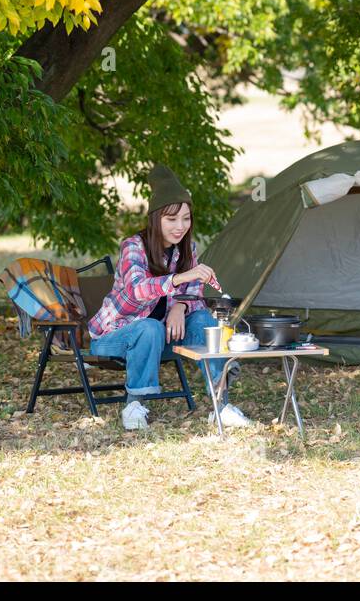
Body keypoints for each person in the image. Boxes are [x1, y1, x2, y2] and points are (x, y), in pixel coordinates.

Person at [87, 164, 250, 431]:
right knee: (149, 327)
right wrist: (179, 279)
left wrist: (179, 307)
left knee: (203, 320)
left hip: (158, 337)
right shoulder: (133, 247)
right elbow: (136, 291)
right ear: (155, 218)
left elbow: (194, 293)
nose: (180, 226)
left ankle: (221, 406)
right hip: (114, 337)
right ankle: (134, 405)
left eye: (186, 218)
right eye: (171, 219)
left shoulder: (187, 249)